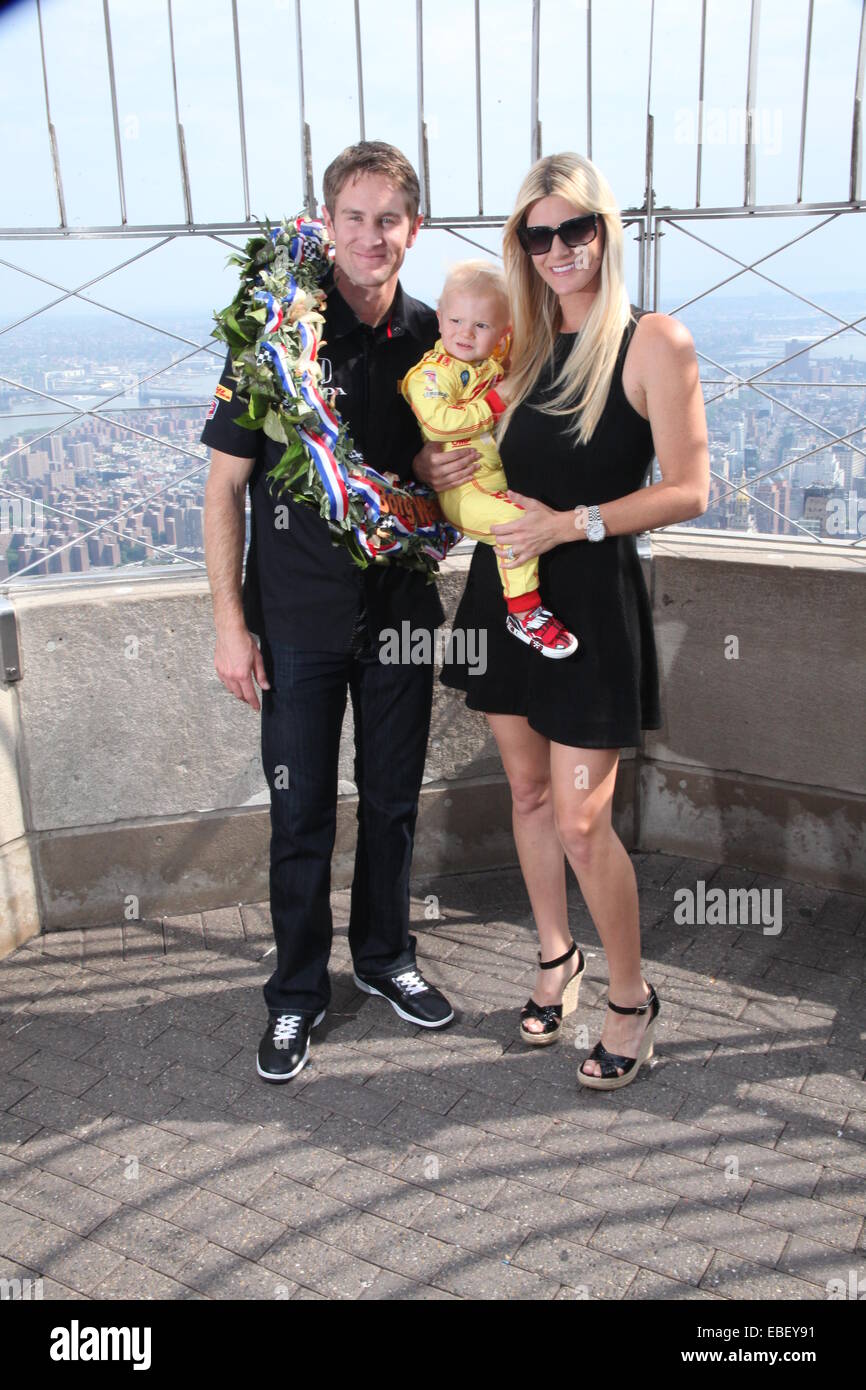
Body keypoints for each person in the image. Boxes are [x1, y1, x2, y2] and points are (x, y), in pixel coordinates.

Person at [438, 152, 709, 1088]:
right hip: (503, 586)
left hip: (587, 601)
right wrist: (447, 471)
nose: (558, 249)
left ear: (606, 231)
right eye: (537, 233)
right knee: (527, 795)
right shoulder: (511, 339)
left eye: (575, 229)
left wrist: (574, 523)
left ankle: (632, 997)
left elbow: (689, 488)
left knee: (586, 821)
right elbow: (464, 446)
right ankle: (556, 956)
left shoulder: (651, 342)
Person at [201, 141, 466, 1084]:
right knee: (300, 812)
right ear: (327, 222)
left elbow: (453, 478)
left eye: (388, 218)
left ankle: (387, 957)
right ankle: (297, 995)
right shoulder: (277, 340)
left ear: (414, 230)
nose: (370, 236)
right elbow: (223, 489)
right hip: (299, 625)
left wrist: (443, 476)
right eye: (352, 217)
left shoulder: (438, 338)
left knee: (393, 803)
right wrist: (232, 627)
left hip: (399, 613)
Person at [401, 260, 578, 659]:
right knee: (519, 526)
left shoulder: (486, 366)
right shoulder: (429, 375)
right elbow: (441, 422)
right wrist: (496, 402)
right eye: (457, 320)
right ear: (440, 317)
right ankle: (524, 611)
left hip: (491, 483)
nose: (465, 333)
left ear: (502, 332)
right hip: (463, 489)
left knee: (525, 519)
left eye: (481, 326)